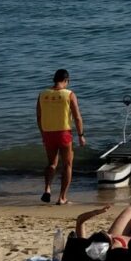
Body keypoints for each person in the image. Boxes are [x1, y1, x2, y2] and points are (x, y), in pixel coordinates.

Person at [36, 69, 85, 205]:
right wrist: (81, 135)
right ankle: (62, 197)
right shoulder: (69, 94)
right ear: (66, 80)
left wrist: (42, 133)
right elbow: (77, 117)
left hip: (47, 133)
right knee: (67, 164)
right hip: (63, 133)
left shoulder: (42, 94)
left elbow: (39, 117)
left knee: (52, 163)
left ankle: (47, 188)